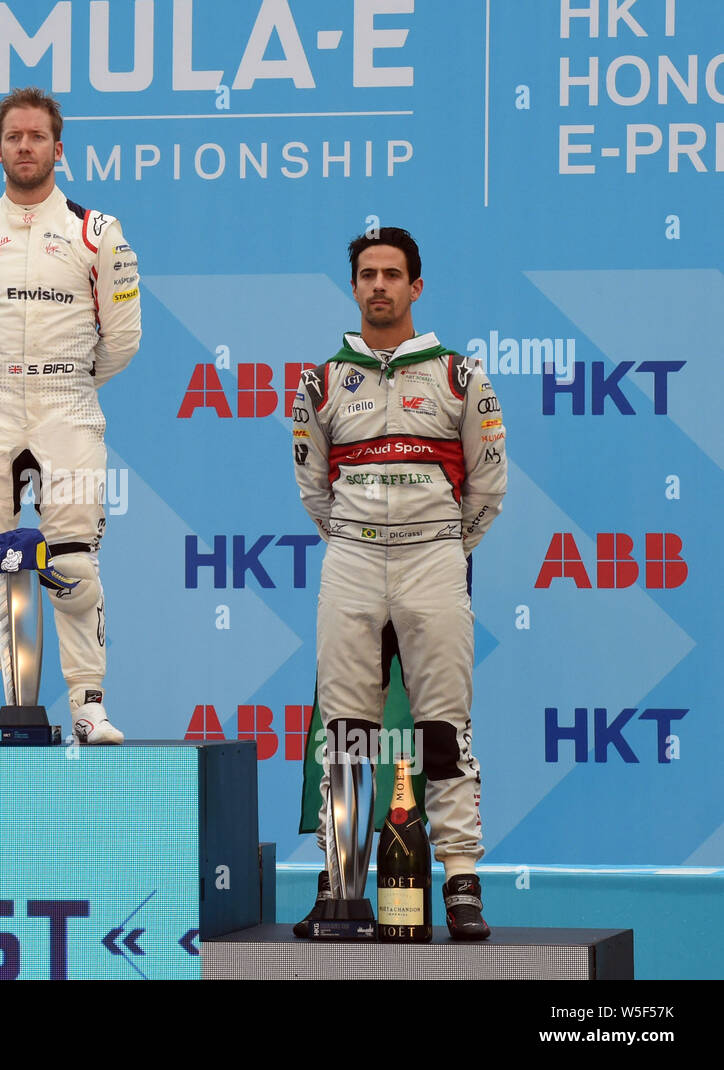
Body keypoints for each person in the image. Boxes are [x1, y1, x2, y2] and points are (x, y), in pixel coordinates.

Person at [291, 227, 506, 938]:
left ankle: (463, 885)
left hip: (432, 561)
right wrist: (361, 544)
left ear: (417, 287)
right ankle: (342, 885)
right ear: (352, 287)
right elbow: (314, 491)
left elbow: (487, 488)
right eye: (366, 274)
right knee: (346, 734)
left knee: (444, 729)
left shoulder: (460, 375)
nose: (378, 286)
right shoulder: (321, 381)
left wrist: (438, 543)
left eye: (392, 275)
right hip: (350, 561)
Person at [0, 87, 141, 745]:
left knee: (74, 561)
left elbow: (123, 340)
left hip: (68, 408)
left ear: (58, 147)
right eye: (15, 137)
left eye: (37, 137)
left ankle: (88, 704)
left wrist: (65, 378)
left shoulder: (97, 232)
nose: (26, 147)